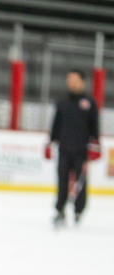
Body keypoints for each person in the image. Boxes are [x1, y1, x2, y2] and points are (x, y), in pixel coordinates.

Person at [45, 69, 100, 227]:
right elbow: (56, 123)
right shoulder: (62, 102)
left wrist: (95, 146)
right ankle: (60, 210)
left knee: (81, 182)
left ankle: (78, 210)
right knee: (61, 180)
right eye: (69, 80)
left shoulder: (89, 103)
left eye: (75, 79)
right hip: (64, 148)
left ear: (82, 81)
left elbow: (94, 126)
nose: (71, 82)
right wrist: (51, 141)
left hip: (82, 150)